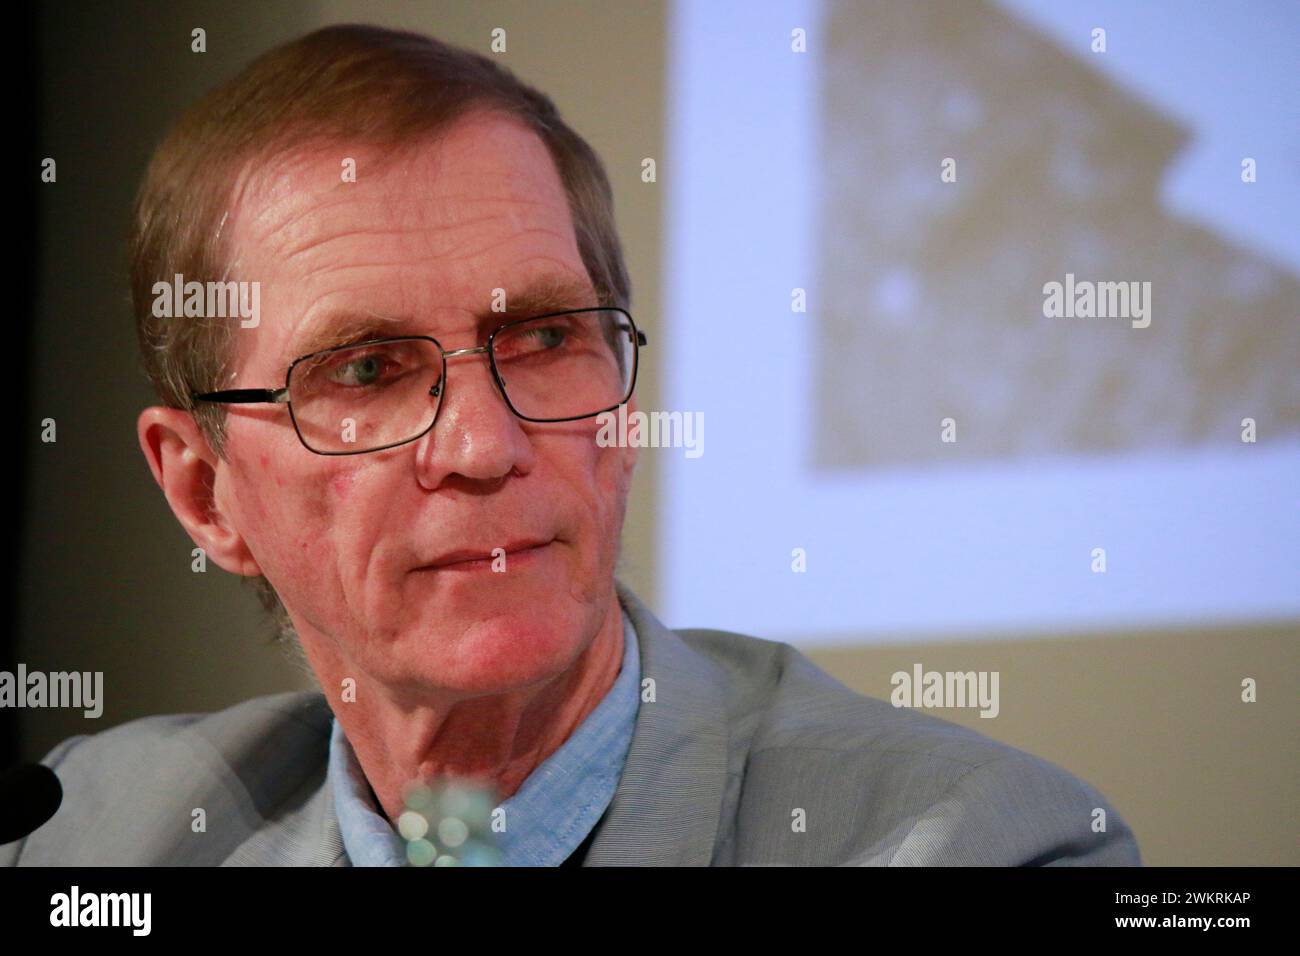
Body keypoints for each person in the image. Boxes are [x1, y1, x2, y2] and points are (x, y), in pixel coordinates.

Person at [4, 24, 1139, 866]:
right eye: (365, 369)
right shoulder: (93, 838)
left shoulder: (975, 844)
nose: (485, 443)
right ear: (206, 495)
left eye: (544, 336)